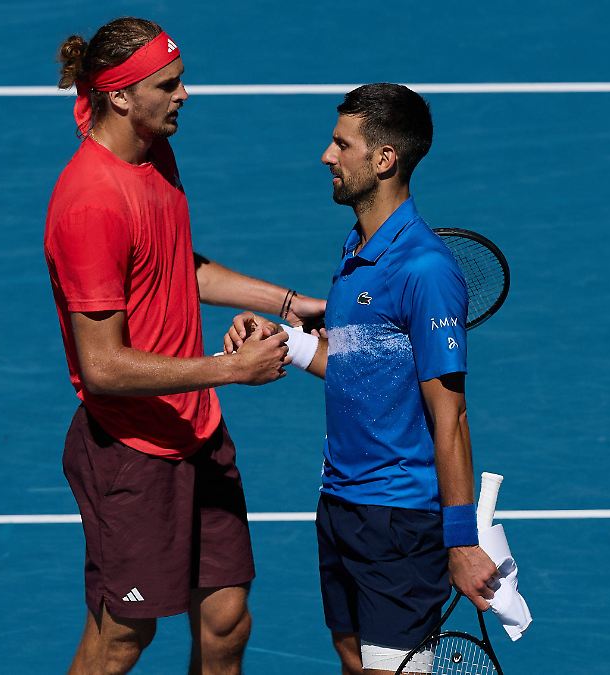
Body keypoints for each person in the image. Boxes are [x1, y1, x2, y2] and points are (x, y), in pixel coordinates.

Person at [45, 17, 325, 675]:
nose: (184, 95)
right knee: (122, 638)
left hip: (197, 433)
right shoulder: (90, 203)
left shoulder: (152, 154)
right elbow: (102, 365)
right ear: (120, 96)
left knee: (226, 623)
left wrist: (288, 303)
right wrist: (230, 369)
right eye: (168, 85)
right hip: (134, 454)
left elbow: (175, 266)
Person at [223, 83, 499, 674]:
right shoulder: (358, 248)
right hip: (341, 502)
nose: (327, 155)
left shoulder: (425, 270)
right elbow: (360, 364)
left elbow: (451, 416)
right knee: (352, 660)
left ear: (384, 159)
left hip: (400, 517)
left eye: (342, 144)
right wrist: (282, 340)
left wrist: (460, 540)